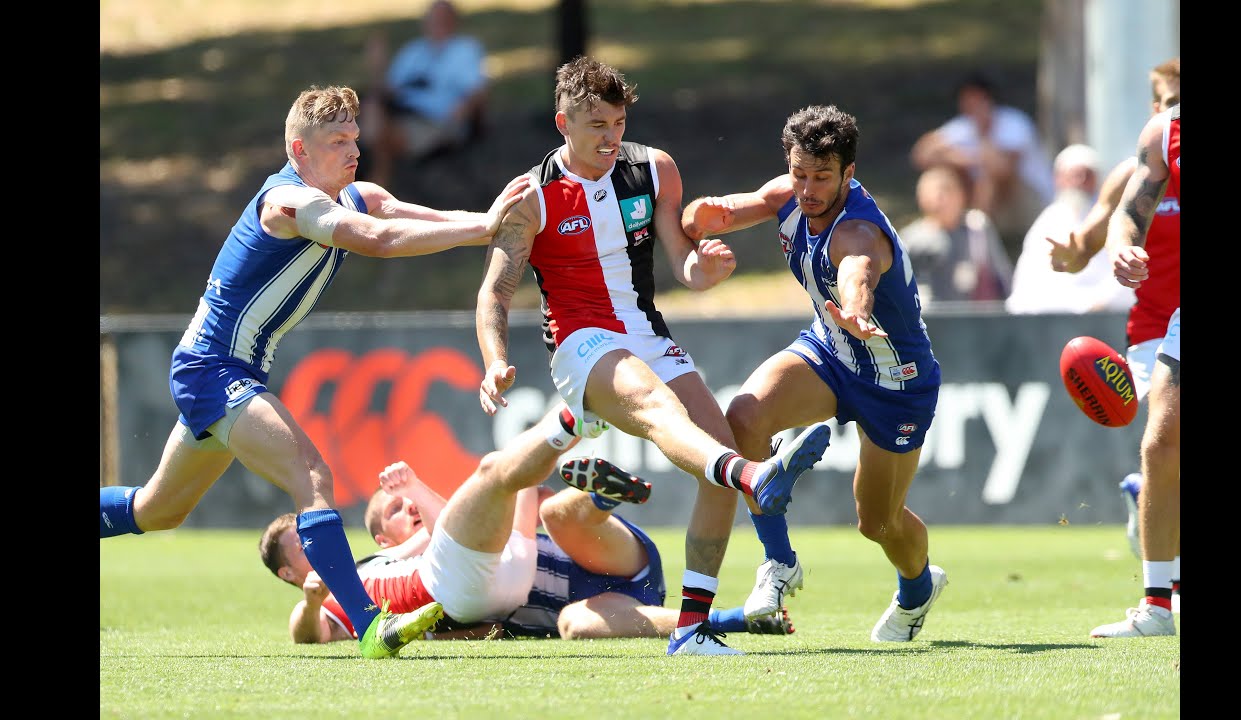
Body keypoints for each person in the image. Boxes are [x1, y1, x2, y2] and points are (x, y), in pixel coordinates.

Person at [99, 84, 531, 660]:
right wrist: (485, 227)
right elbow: (375, 239)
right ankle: (371, 627)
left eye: (355, 138)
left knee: (158, 510)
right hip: (212, 369)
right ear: (299, 150)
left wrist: (495, 220)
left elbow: (414, 219)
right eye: (336, 142)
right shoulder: (287, 202)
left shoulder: (357, 194)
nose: (353, 151)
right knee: (315, 478)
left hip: (233, 370)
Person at [473, 56, 833, 656]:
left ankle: (691, 631)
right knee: (669, 413)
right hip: (580, 344)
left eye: (617, 122)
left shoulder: (652, 170)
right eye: (596, 126)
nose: (611, 136)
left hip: (647, 333)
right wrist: (493, 358)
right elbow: (496, 290)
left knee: (712, 463)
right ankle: (753, 473)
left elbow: (682, 261)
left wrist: (705, 269)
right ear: (561, 122)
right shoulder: (532, 198)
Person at [682, 104, 947, 643]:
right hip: (831, 352)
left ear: (849, 173)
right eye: (799, 173)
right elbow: (720, 212)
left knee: (877, 523)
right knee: (745, 417)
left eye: (822, 177)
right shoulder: (788, 192)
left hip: (896, 380)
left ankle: (919, 589)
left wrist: (857, 309)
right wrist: (699, 218)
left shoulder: (858, 233)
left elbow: (857, 273)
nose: (807, 188)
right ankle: (779, 565)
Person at [259, 406, 795, 643]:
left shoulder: (414, 553)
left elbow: (457, 525)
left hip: (598, 553)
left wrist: (424, 493)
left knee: (554, 514)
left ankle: (595, 491)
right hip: (592, 604)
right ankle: (730, 619)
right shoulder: (361, 588)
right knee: (573, 629)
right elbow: (314, 633)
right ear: (382, 539)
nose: (411, 512)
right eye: (395, 512)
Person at [1046, 58, 1180, 615]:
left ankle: (1155, 557)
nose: (1174, 107)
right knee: (1167, 442)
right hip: (1154, 331)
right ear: (1156, 107)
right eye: (1168, 99)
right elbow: (1093, 237)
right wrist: (1078, 252)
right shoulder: (1142, 164)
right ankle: (1161, 588)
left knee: (1169, 450)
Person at [1087, 96, 1179, 639]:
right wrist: (1123, 248)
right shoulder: (1165, 132)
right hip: (1166, 320)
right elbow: (1128, 213)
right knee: (1159, 445)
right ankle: (1158, 606)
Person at [910, 72, 1054, 262]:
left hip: (1029, 203)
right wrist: (961, 159)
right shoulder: (962, 127)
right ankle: (955, 231)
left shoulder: (1014, 123)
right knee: (941, 175)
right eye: (967, 100)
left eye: (977, 99)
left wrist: (981, 138)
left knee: (989, 177)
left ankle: (976, 239)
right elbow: (922, 155)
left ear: (989, 99)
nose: (972, 105)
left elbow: (1003, 168)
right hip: (987, 203)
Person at [361, 0, 489, 190]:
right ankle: (371, 190)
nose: (437, 24)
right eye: (433, 19)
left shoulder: (465, 50)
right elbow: (387, 91)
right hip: (400, 113)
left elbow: (478, 90)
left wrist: (463, 114)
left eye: (443, 19)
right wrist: (378, 67)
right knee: (371, 109)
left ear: (454, 21)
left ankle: (366, 188)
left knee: (377, 141)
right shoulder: (413, 52)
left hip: (437, 122)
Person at [1005, 143, 1137, 314]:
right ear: (1058, 179)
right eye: (1073, 175)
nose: (1079, 181)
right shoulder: (1045, 223)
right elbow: (1027, 288)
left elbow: (1123, 277)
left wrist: (1098, 304)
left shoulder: (1114, 219)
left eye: (1086, 175)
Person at [897, 164, 1012, 307]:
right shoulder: (910, 240)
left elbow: (1002, 277)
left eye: (948, 192)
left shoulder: (977, 228)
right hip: (929, 321)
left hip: (976, 318)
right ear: (921, 199)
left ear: (961, 196)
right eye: (937, 195)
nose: (943, 201)